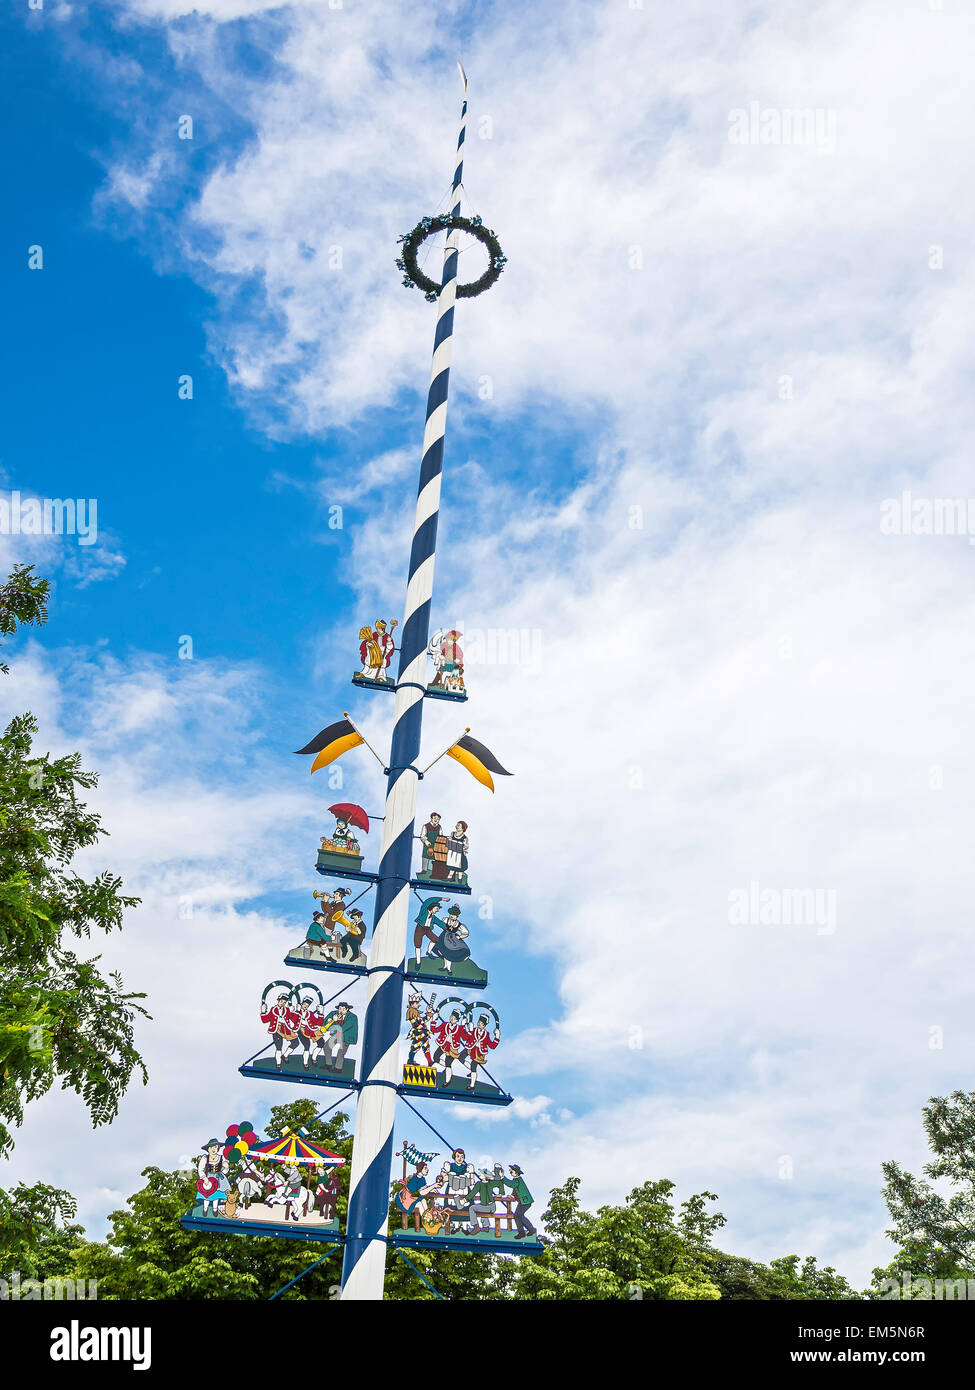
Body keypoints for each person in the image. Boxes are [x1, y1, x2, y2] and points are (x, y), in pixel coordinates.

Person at [394, 1160, 439, 1232]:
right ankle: (427, 1224)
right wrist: (433, 1186)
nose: (427, 1170)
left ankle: (429, 1220)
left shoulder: (422, 1179)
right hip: (404, 1198)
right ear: (420, 1169)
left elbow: (424, 1189)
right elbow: (422, 1192)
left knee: (423, 1200)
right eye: (425, 1168)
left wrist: (431, 1189)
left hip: (410, 1197)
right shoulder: (415, 1179)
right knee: (419, 1204)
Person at [261, 991, 299, 1068]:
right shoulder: (273, 1009)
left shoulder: (287, 1010)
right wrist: (263, 1011)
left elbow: (295, 1019)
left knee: (296, 1042)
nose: (282, 1003)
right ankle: (278, 1063)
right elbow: (265, 1020)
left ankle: (285, 1055)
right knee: (279, 1047)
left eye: (284, 1002)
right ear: (278, 1000)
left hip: (286, 1029)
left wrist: (296, 1011)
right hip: (276, 1029)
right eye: (281, 1001)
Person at [462, 1012, 499, 1090]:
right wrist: (466, 1027)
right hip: (470, 1048)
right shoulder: (474, 1030)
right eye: (479, 1022)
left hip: (479, 1053)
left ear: (484, 1025)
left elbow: (492, 1046)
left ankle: (472, 1085)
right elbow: (464, 1037)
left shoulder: (486, 1034)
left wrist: (497, 1036)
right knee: (460, 1057)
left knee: (473, 1066)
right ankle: (471, 1071)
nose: (479, 1024)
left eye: (481, 1023)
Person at [430, 904, 471, 974]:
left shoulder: (459, 924)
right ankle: (445, 967)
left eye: (454, 914)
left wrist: (460, 937)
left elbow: (466, 933)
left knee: (449, 953)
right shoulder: (446, 919)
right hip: (444, 937)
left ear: (457, 916)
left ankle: (448, 969)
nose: (452, 915)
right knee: (445, 952)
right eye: (451, 914)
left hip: (453, 940)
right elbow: (440, 923)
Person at [430, 1008, 466, 1087]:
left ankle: (447, 1081)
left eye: (454, 1018)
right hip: (443, 1044)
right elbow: (434, 1030)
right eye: (451, 1017)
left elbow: (465, 1038)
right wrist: (434, 1020)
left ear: (457, 1020)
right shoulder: (445, 1024)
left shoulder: (459, 1028)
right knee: (436, 1057)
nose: (452, 1019)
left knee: (448, 1063)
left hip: (452, 1048)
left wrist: (464, 1026)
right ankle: (446, 1069)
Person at [197, 1139, 232, 1217]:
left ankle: (215, 1209)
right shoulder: (205, 1158)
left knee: (216, 1194)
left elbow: (224, 1171)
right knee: (207, 1195)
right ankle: (205, 1209)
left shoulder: (222, 1158)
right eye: (211, 1147)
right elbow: (200, 1169)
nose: (213, 1149)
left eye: (215, 1147)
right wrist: (204, 1178)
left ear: (218, 1148)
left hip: (219, 1178)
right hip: (208, 1178)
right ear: (208, 1149)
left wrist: (225, 1166)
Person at [321, 1001, 358, 1073]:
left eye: (343, 1009)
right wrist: (329, 1021)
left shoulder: (353, 1017)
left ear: (347, 1009)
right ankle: (328, 1064)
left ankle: (338, 1068)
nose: (341, 1010)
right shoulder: (334, 1013)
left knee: (341, 1052)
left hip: (346, 1036)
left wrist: (336, 1020)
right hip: (337, 1034)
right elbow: (325, 1022)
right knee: (326, 1046)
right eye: (340, 1009)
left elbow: (345, 1027)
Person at [470, 1163, 506, 1232]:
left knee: (472, 1208)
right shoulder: (479, 1184)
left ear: (485, 1176)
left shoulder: (490, 1183)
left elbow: (500, 1184)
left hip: (490, 1206)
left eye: (481, 1173)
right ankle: (486, 1227)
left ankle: (476, 1227)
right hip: (486, 1206)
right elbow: (473, 1193)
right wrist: (466, 1199)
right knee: (481, 1207)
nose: (479, 1174)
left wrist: (501, 1193)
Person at [413, 896, 448, 967]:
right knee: (418, 945)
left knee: (436, 939)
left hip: (428, 929)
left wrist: (449, 928)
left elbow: (441, 923)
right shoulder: (424, 911)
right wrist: (442, 899)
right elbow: (428, 901)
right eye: (436, 909)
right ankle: (418, 962)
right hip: (420, 928)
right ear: (431, 907)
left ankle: (428, 952)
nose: (437, 910)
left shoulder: (433, 917)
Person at [504, 1164, 536, 1239]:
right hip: (523, 1202)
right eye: (511, 1172)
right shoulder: (517, 1180)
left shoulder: (517, 1180)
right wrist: (512, 1196)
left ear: (516, 1173)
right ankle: (530, 1229)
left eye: (512, 1172)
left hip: (525, 1202)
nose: (511, 1173)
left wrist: (503, 1178)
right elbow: (517, 1190)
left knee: (517, 1216)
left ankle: (523, 1232)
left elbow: (511, 1184)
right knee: (519, 1216)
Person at [295, 994, 325, 1069]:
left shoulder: (310, 1013)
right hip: (301, 1030)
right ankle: (305, 1063)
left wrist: (320, 1013)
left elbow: (319, 1023)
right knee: (307, 1045)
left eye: (307, 1005)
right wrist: (296, 1010)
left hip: (311, 1029)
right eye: (304, 1004)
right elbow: (291, 1017)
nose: (305, 1006)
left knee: (321, 1043)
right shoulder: (297, 1012)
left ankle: (313, 1057)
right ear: (301, 1004)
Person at [419, 813, 443, 877]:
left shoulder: (439, 827)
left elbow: (441, 836)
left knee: (436, 858)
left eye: (438, 819)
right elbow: (422, 836)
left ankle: (434, 871)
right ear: (431, 818)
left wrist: (440, 843)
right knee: (425, 857)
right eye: (435, 818)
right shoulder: (426, 826)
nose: (436, 820)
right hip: (428, 844)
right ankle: (424, 870)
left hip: (436, 845)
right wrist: (426, 841)